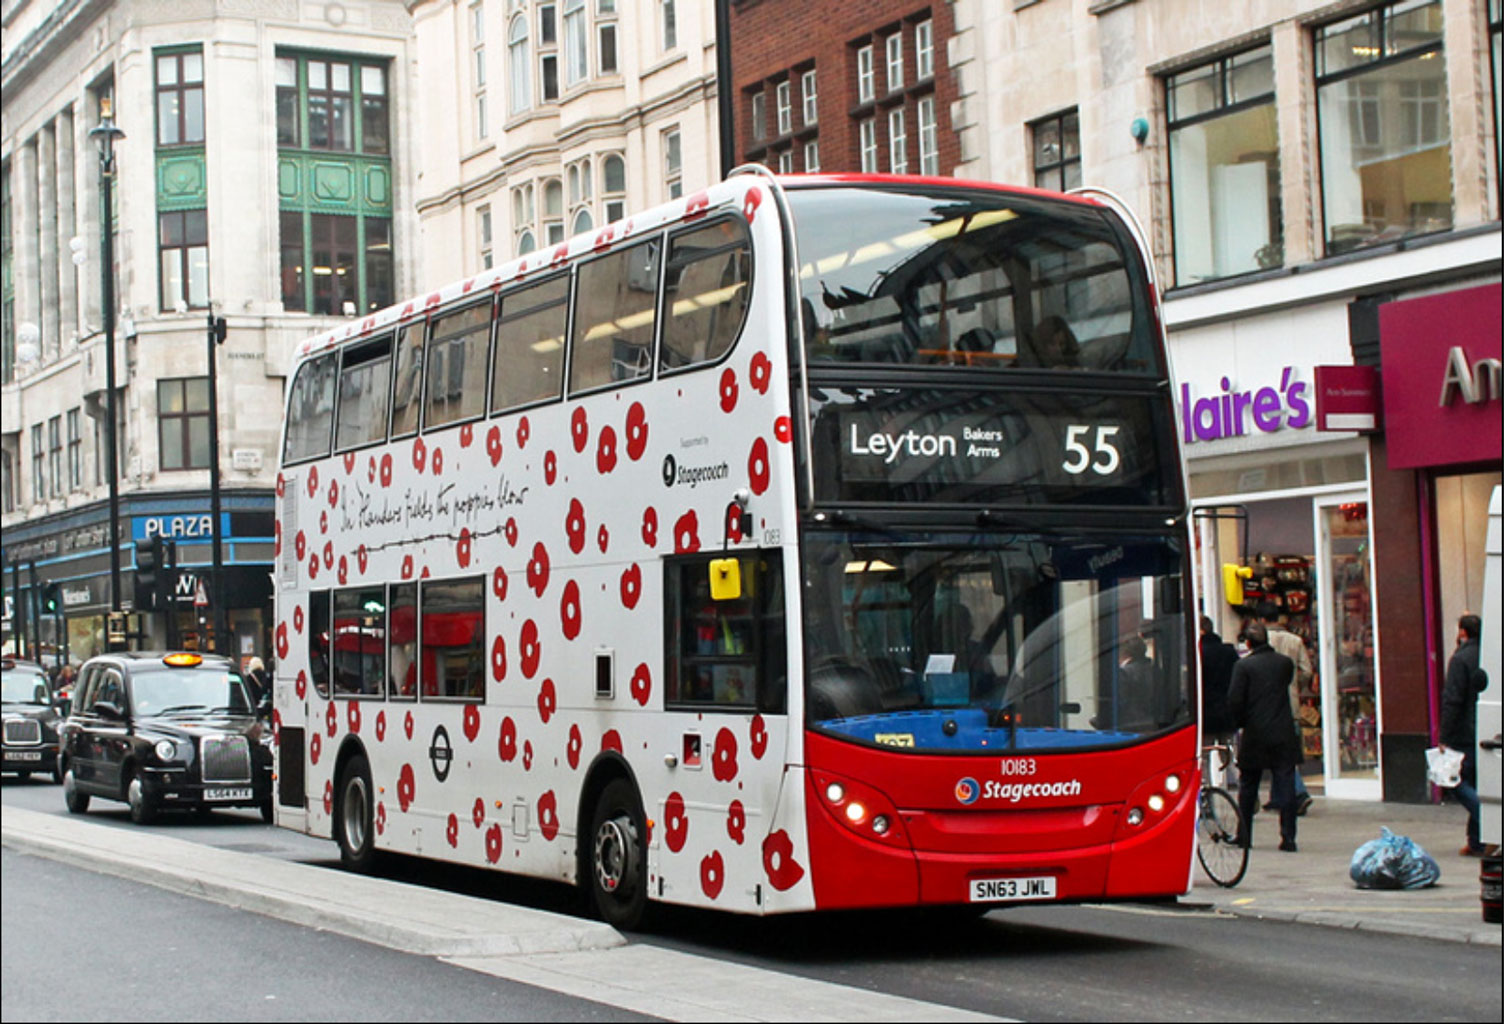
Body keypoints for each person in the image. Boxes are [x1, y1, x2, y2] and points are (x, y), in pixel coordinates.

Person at [1227, 621, 1300, 852]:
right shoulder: (1284, 664)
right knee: (1285, 782)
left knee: (1248, 785)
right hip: (1282, 729)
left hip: (1255, 731)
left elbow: (1235, 699)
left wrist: (1238, 722)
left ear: (1248, 643)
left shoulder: (1244, 666)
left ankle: (1245, 835)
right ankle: (1288, 836)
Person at [1441, 614, 1492, 857]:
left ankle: (1488, 820)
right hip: (1485, 728)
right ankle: (1476, 841)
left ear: (1463, 633)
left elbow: (1453, 700)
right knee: (1478, 782)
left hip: (1463, 732)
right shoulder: (1489, 654)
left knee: (1456, 781)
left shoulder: (1460, 659)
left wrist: (1445, 736)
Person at [1258, 603, 1314, 816]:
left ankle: (1299, 793)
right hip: (1291, 703)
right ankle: (1277, 797)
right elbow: (1307, 671)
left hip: (1266, 705)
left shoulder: (1262, 640)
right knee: (1286, 750)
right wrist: (1295, 684)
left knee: (1282, 755)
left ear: (1262, 620)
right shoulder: (1295, 640)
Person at [1199, 616, 1240, 787]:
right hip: (1227, 711)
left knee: (1205, 756)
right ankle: (1242, 786)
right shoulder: (1229, 652)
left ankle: (1207, 792)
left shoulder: (1199, 652)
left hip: (1207, 712)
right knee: (1229, 754)